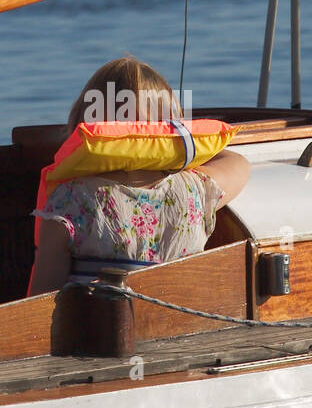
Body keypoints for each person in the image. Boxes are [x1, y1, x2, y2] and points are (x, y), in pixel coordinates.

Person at [27, 57, 250, 295]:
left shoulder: (69, 203)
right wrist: (178, 149)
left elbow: (40, 302)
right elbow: (238, 163)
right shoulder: (194, 190)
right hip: (180, 323)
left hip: (101, 328)